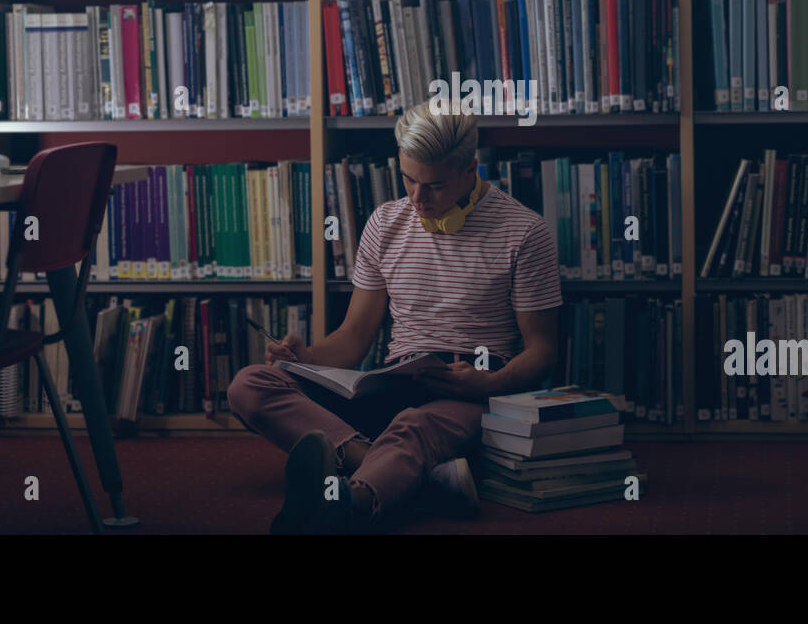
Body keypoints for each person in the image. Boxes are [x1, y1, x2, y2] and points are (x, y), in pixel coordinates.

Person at [228, 101, 562, 532]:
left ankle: (350, 505)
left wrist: (490, 383)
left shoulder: (525, 232)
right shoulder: (384, 223)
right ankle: (405, 474)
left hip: (470, 393)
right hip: (392, 381)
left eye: (435, 186)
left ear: (470, 170)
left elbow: (543, 350)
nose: (418, 199)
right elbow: (353, 337)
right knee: (250, 384)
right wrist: (305, 356)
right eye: (408, 179)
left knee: (412, 425)